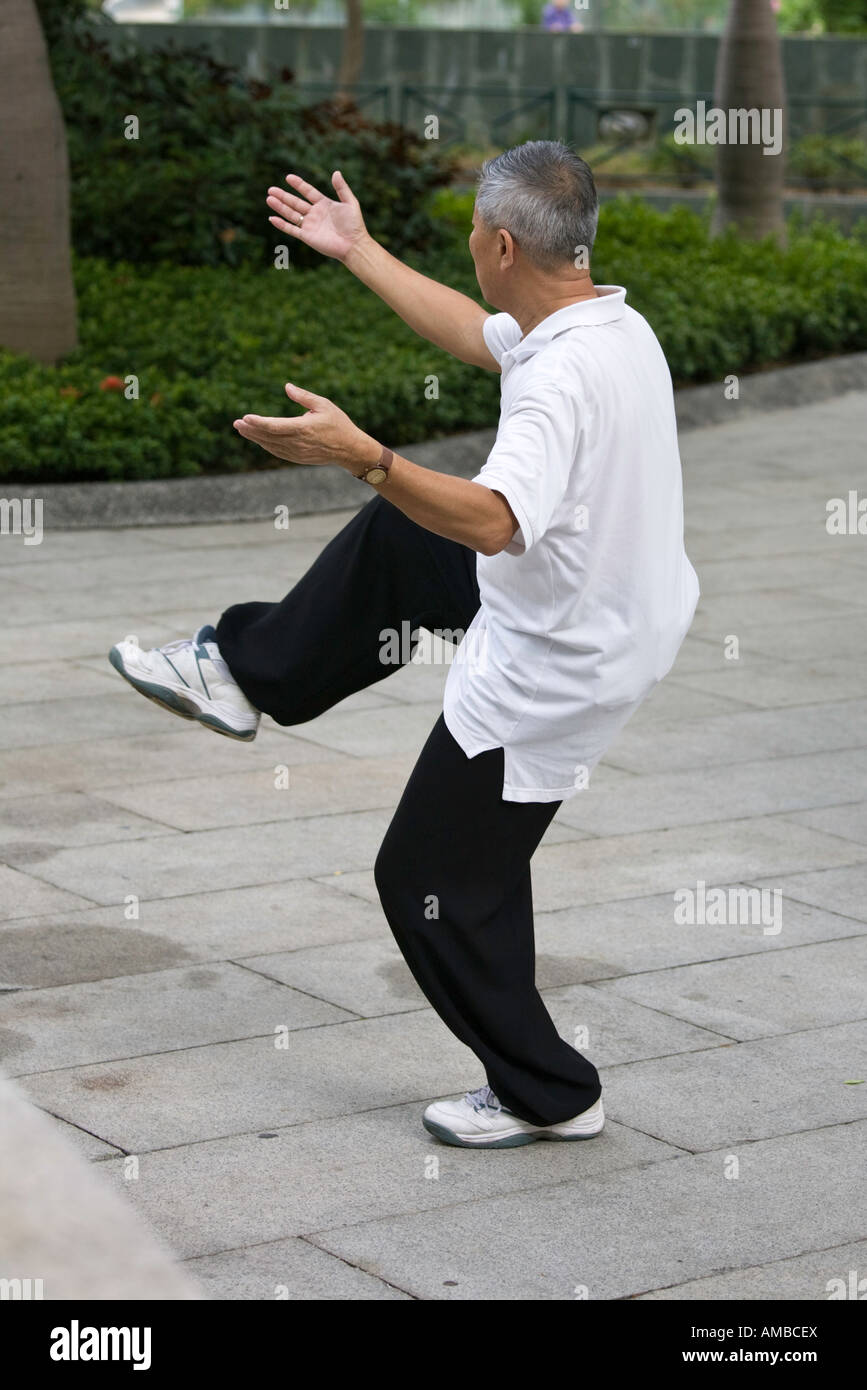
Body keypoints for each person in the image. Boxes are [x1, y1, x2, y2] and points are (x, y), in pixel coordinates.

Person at [109, 141, 699, 1149]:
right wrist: (358, 249)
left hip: (561, 658)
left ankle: (549, 1090)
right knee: (400, 544)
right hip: (618, 603)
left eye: (475, 234)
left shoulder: (562, 378)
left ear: (503, 242)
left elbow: (493, 521)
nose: (472, 250)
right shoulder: (607, 322)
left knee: (425, 883)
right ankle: (241, 671)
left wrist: (367, 456)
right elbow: (483, 334)